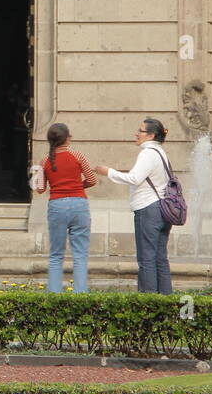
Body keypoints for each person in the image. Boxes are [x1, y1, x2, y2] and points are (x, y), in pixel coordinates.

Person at [95, 118, 173, 294]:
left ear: (151, 135)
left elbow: (134, 178)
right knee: (160, 259)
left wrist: (109, 172)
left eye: (141, 131)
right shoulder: (161, 153)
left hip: (148, 210)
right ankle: (166, 302)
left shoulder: (148, 153)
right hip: (163, 210)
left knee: (146, 259)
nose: (136, 133)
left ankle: (148, 303)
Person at [34, 122, 97, 293]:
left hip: (56, 205)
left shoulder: (45, 160)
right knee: (80, 254)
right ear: (67, 138)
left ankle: (54, 294)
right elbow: (92, 179)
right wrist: (76, 186)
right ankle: (80, 293)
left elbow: (40, 189)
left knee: (56, 254)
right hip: (79, 203)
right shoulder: (77, 155)